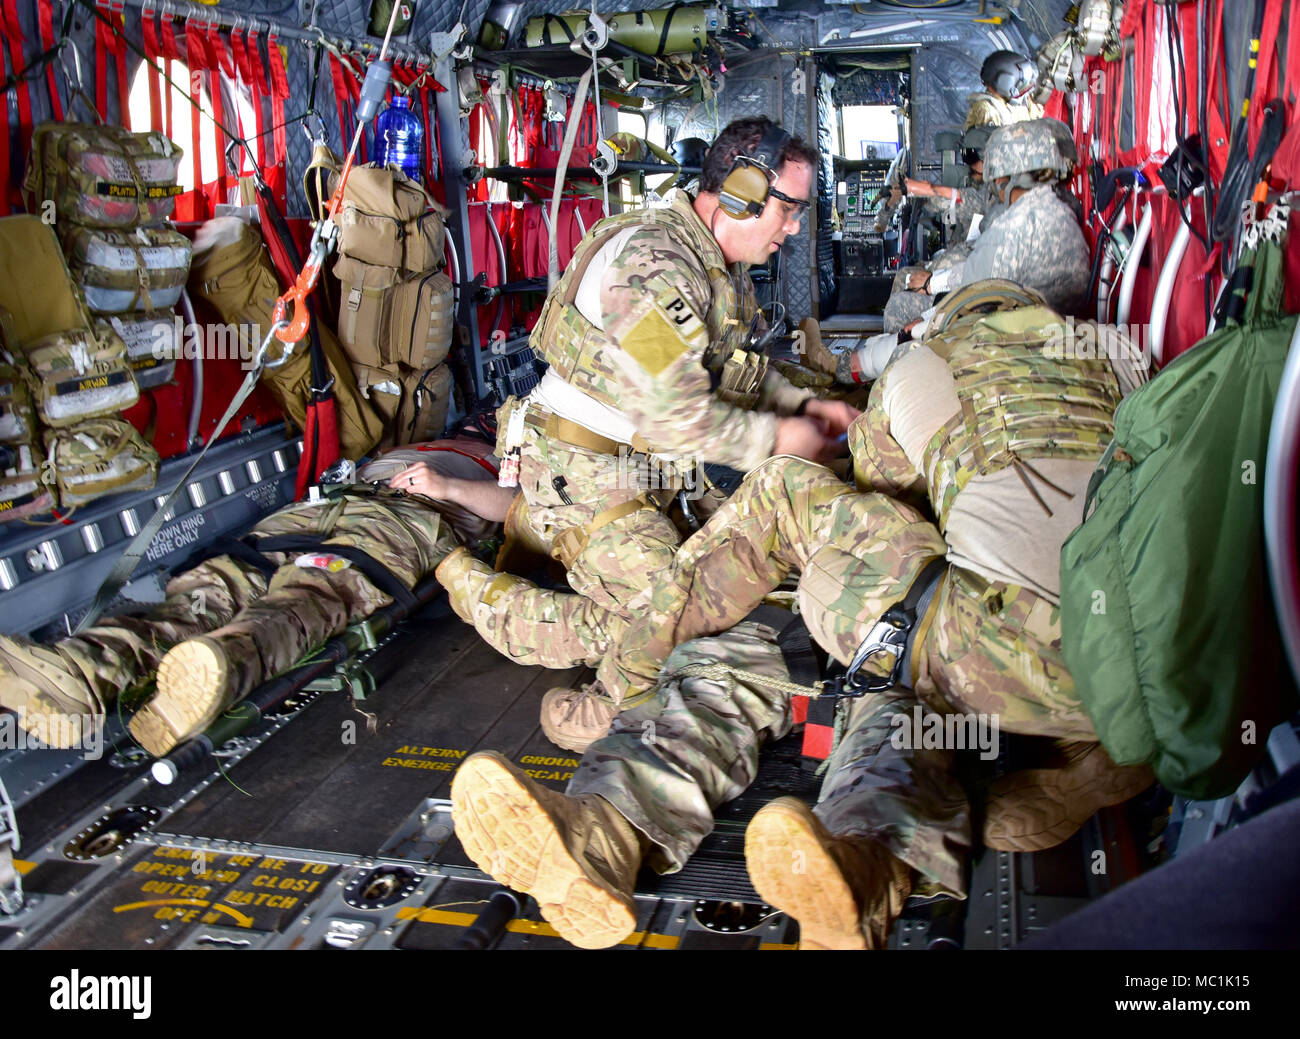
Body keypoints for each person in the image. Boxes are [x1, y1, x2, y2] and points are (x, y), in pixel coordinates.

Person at [449, 287, 1155, 950]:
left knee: (737, 666)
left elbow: (877, 481)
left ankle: (600, 833)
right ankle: (860, 871)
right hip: (1133, 669)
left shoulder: (930, 365)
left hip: (957, 636)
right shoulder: (1124, 361)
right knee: (897, 710)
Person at [435, 117, 859, 752]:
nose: (794, 229)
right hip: (585, 473)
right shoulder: (653, 267)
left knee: (743, 580)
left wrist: (804, 404)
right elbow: (673, 415)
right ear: (740, 191)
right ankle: (491, 599)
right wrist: (780, 440)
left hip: (652, 472)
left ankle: (563, 553)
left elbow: (733, 372)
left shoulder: (715, 265)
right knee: (682, 617)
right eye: (789, 209)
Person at [0, 439, 516, 757]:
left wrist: (448, 485)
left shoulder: (512, 458)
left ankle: (222, 666)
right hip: (327, 504)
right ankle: (83, 670)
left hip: (404, 521)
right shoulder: (421, 436)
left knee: (313, 592)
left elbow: (519, 512)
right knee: (212, 587)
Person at [815, 119, 1090, 387]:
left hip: (1013, 340)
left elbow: (975, 296)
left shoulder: (1017, 224)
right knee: (910, 327)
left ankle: (846, 371)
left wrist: (923, 324)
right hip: (1036, 330)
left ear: (1010, 172)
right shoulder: (1056, 212)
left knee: (904, 342)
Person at [965, 50, 1044, 130]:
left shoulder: (1016, 103)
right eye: (1021, 84)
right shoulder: (987, 110)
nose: (1025, 88)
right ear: (1006, 81)